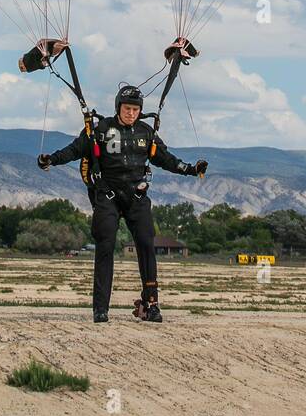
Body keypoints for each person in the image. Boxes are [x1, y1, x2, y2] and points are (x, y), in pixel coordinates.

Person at [38, 83, 207, 323]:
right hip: (107, 195)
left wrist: (190, 169)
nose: (131, 113)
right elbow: (75, 150)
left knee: (147, 245)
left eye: (135, 109)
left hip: (136, 197)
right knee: (105, 246)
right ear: (119, 107)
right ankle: (100, 308)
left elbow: (165, 159)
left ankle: (151, 304)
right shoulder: (100, 130)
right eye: (127, 108)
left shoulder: (146, 132)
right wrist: (51, 160)